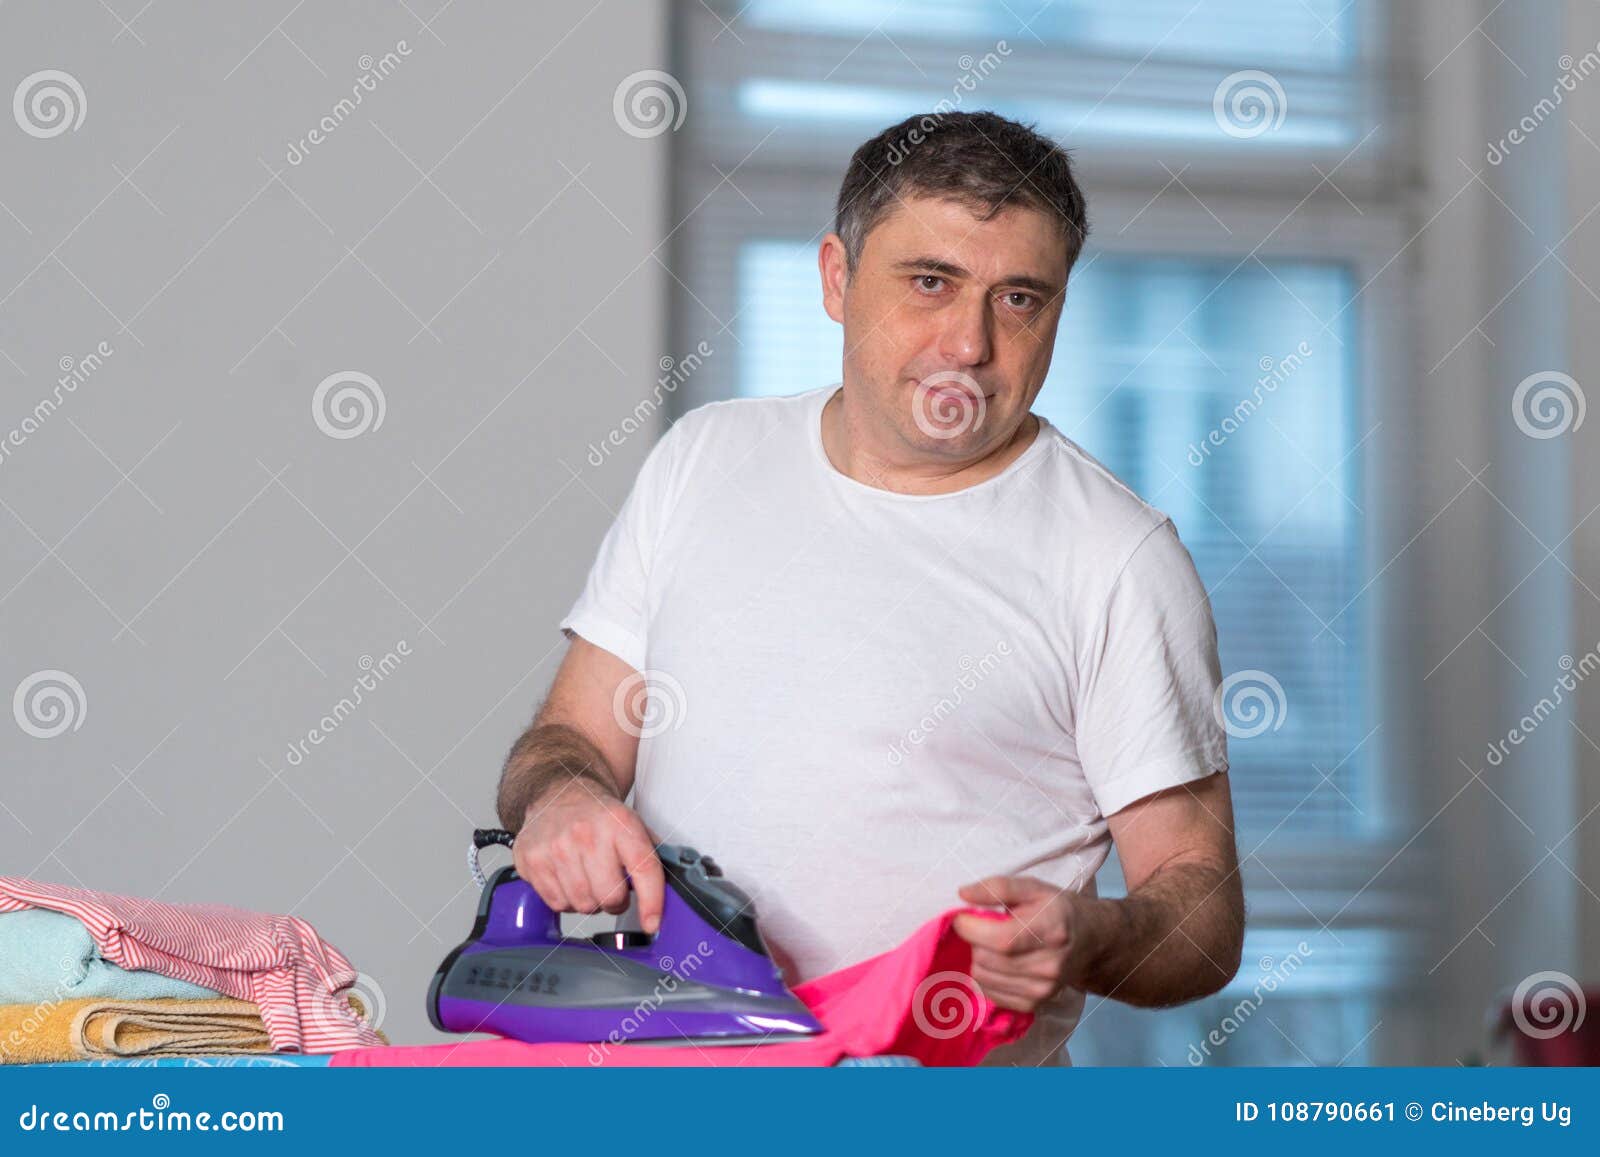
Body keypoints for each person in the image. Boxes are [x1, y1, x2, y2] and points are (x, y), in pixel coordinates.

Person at [495, 110, 1244, 1065]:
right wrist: (561, 799)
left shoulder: (1119, 559)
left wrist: (1088, 939)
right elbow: (568, 741)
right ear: (836, 279)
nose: (969, 343)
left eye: (1018, 299)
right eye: (930, 282)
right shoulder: (703, 458)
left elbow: (1202, 913)